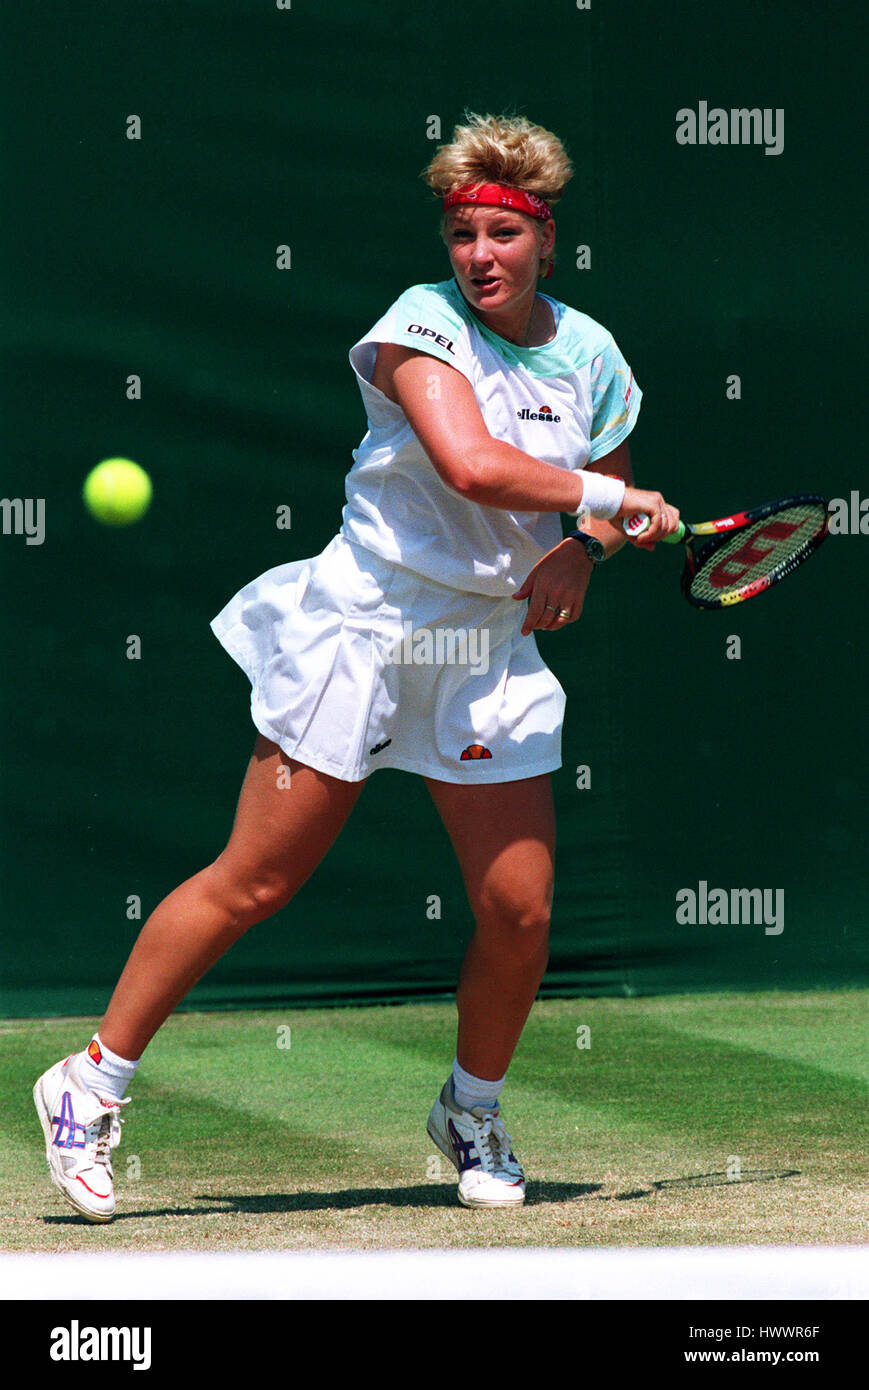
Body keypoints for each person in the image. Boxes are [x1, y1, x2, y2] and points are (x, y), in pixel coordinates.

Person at [33, 111, 679, 1221]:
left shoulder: (594, 357)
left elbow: (592, 505)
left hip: (486, 645)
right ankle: (88, 1083)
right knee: (260, 879)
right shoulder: (416, 325)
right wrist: (608, 504)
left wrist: (582, 550)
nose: (478, 255)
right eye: (461, 233)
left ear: (546, 242)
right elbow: (474, 468)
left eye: (500, 236)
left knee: (518, 909)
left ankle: (468, 1109)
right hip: (366, 625)